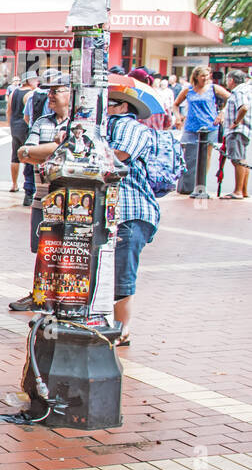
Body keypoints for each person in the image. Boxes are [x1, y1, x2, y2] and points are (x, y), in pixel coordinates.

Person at [9, 81, 73, 311]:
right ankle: (39, 294)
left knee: (68, 249)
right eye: (50, 92)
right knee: (42, 249)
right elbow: (23, 153)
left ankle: (59, 295)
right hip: (43, 197)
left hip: (70, 201)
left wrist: (43, 152)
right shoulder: (42, 121)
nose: (51, 96)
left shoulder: (78, 124)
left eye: (56, 91)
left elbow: (75, 152)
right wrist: (59, 147)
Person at [105, 87, 161, 346]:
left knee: (123, 271)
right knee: (113, 268)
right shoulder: (110, 126)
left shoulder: (129, 126)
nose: (105, 108)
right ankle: (115, 325)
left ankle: (123, 329)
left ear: (123, 107)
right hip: (115, 211)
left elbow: (119, 156)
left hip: (130, 210)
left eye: (110, 104)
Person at [173, 66, 231, 196]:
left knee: (206, 156)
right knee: (187, 155)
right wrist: (178, 117)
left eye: (207, 75)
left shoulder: (213, 88)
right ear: (196, 76)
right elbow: (175, 104)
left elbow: (230, 98)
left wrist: (222, 113)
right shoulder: (188, 89)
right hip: (191, 126)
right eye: (203, 76)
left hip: (209, 126)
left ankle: (201, 184)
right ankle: (187, 184)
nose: (205, 78)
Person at [7, 69, 39, 192]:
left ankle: (14, 184)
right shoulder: (30, 94)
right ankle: (28, 185)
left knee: (14, 156)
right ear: (30, 81)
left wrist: (10, 124)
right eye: (35, 80)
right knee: (28, 155)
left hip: (15, 126)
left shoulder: (13, 93)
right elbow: (29, 114)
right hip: (25, 126)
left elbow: (8, 110)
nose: (37, 82)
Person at [222, 69, 251, 199]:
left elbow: (243, 107)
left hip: (237, 130)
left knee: (238, 160)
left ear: (231, 80)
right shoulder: (247, 89)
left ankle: (238, 191)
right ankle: (243, 190)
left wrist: (235, 122)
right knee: (242, 160)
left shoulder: (238, 91)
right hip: (244, 129)